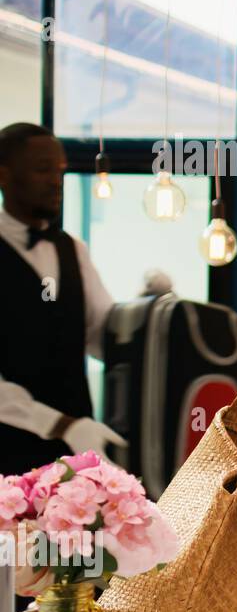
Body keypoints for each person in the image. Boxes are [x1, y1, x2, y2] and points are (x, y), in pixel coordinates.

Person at [0, 122, 124, 477]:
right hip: (7, 456)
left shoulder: (74, 250)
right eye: (42, 170)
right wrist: (61, 424)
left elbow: (105, 334)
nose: (57, 181)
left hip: (74, 460)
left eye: (60, 171)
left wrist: (153, 313)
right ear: (4, 175)